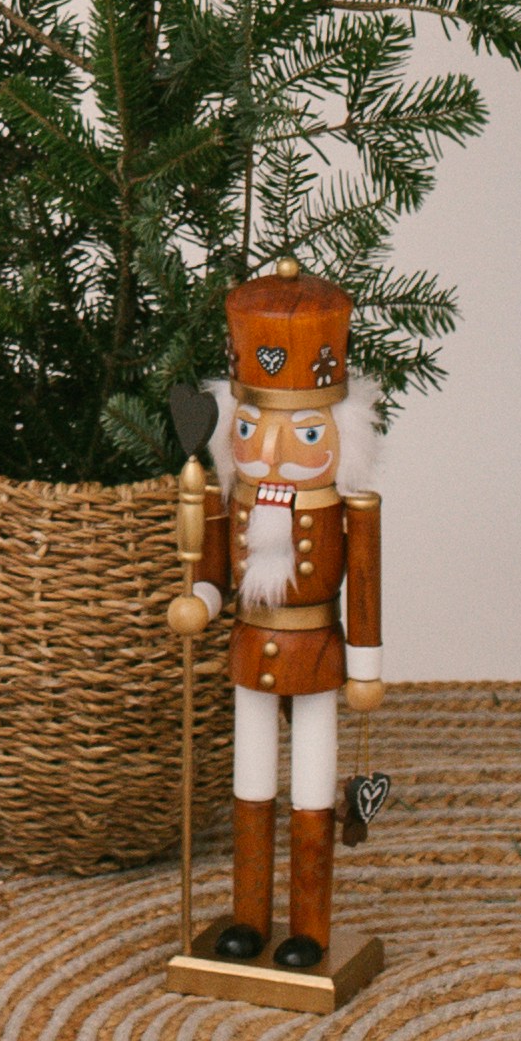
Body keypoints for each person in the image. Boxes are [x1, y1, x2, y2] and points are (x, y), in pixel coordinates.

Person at [166, 263, 383, 970]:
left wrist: (366, 667)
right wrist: (199, 602)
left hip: (316, 653)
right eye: (253, 428)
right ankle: (248, 918)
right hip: (249, 652)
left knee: (313, 793)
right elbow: (214, 573)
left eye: (304, 433)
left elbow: (365, 587)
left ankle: (310, 928)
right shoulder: (233, 499)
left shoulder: (350, 511)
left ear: (341, 435)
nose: (272, 452)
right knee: (250, 787)